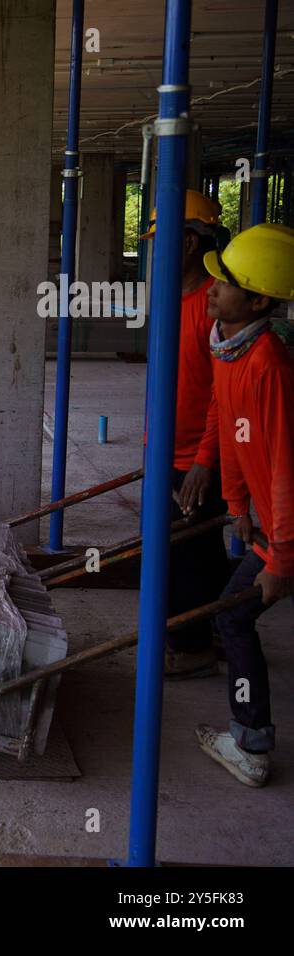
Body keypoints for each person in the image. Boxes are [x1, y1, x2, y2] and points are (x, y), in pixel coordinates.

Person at [193, 222, 294, 788]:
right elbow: (230, 430)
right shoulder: (230, 349)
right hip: (270, 523)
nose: (210, 289)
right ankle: (250, 735)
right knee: (234, 617)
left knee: (233, 616)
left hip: (288, 529)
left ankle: (251, 743)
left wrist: (280, 556)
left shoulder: (268, 366)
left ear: (257, 300)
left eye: (224, 283)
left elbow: (284, 466)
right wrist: (235, 502)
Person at [141, 190, 234, 679]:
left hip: (193, 459)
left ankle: (193, 646)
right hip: (163, 450)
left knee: (184, 559)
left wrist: (204, 460)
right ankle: (213, 626)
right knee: (191, 551)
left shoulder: (213, 305)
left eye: (164, 240)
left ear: (191, 242)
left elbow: (224, 394)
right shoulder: (171, 299)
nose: (156, 251)